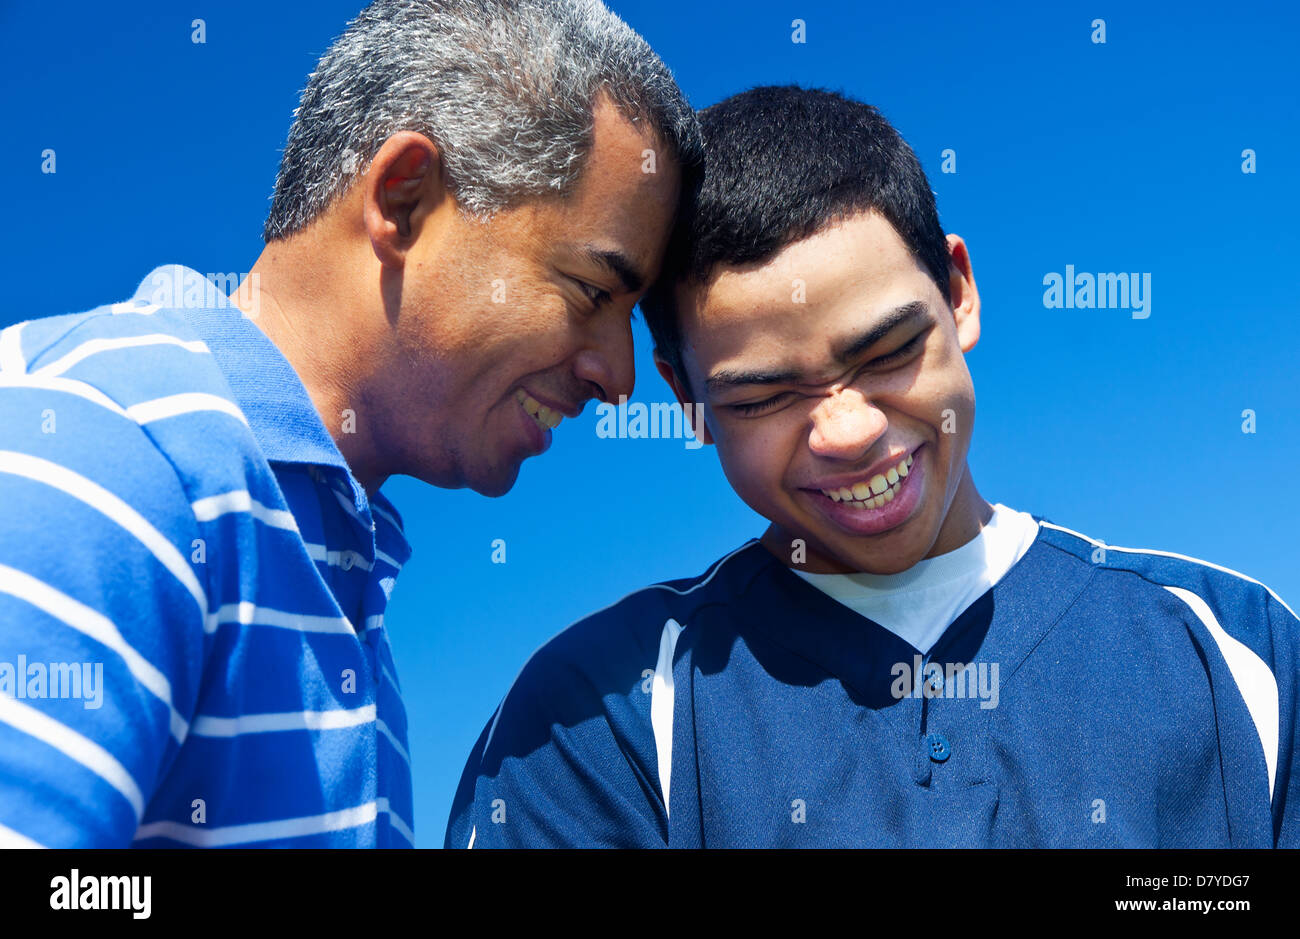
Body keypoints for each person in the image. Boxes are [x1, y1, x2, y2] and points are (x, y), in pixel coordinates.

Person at [445, 85, 1299, 848]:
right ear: (687, 397)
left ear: (958, 292)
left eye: (888, 351)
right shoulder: (594, 721)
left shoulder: (1238, 653)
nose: (848, 432)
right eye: (763, 397)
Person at [0, 0, 699, 848]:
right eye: (594, 291)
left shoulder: (331, 573)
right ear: (404, 200)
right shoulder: (103, 444)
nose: (617, 377)